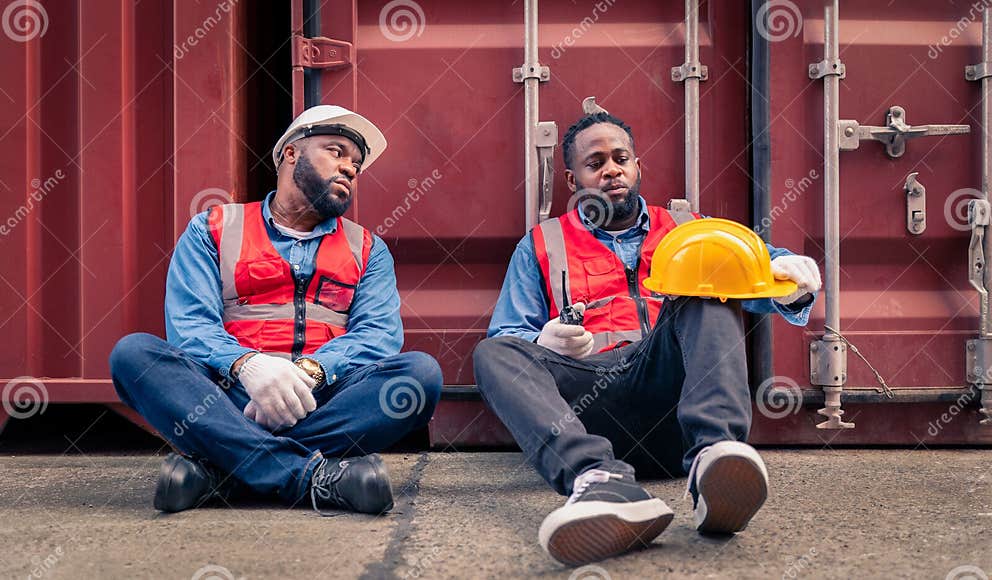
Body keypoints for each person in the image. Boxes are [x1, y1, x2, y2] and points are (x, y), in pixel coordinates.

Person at [472, 111, 821, 565]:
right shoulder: (540, 243)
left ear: (638, 167)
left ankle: (714, 458)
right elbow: (508, 335)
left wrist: (787, 278)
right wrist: (543, 342)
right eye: (595, 162)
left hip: (673, 409)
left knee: (708, 289)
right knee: (492, 352)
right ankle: (600, 482)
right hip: (590, 412)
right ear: (572, 178)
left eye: (621, 158)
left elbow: (755, 270)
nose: (611, 170)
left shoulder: (689, 230)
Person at [109, 105, 442, 516]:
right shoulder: (212, 228)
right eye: (335, 151)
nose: (350, 169)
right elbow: (190, 327)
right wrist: (248, 367)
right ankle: (311, 477)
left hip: (322, 399)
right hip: (230, 397)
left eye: (355, 163)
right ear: (290, 154)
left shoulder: (368, 249)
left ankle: (224, 466)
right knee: (134, 356)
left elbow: (378, 337)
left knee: (420, 377)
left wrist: (310, 372)